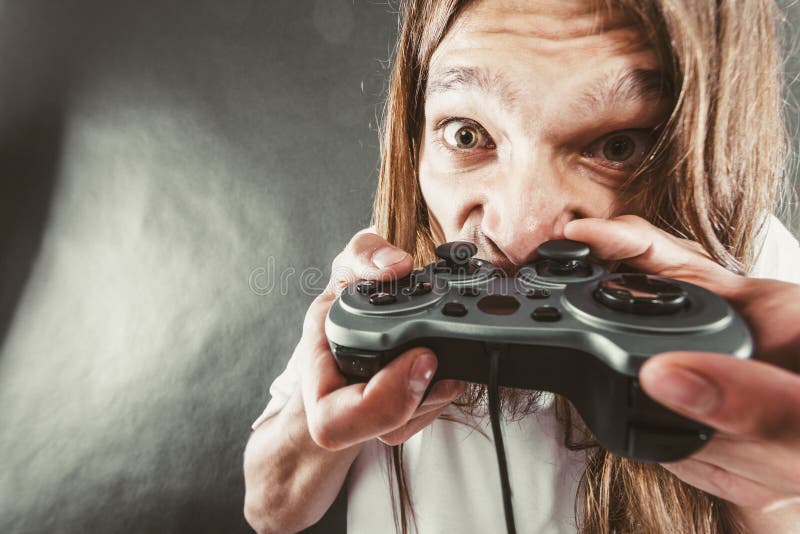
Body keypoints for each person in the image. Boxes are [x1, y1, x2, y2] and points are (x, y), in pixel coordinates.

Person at [243, 0, 800, 532]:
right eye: (466, 135)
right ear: (415, 136)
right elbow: (269, 510)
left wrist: (775, 501)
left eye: (619, 147)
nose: (517, 234)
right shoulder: (393, 274)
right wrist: (336, 389)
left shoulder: (755, 275)